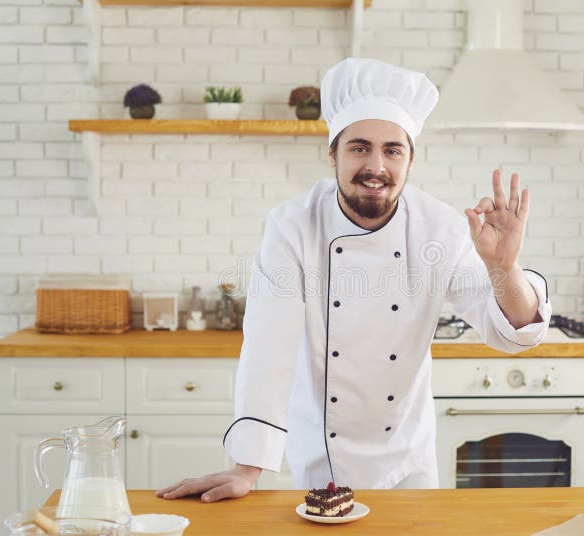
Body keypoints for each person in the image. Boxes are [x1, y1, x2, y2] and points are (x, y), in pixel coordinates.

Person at [157, 57, 552, 503]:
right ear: (332, 154)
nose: (376, 166)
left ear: (410, 160)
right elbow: (269, 346)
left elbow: (513, 332)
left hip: (408, 461)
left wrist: (503, 266)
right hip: (323, 460)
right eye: (359, 147)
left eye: (392, 150)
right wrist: (246, 468)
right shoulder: (292, 227)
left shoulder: (440, 228)